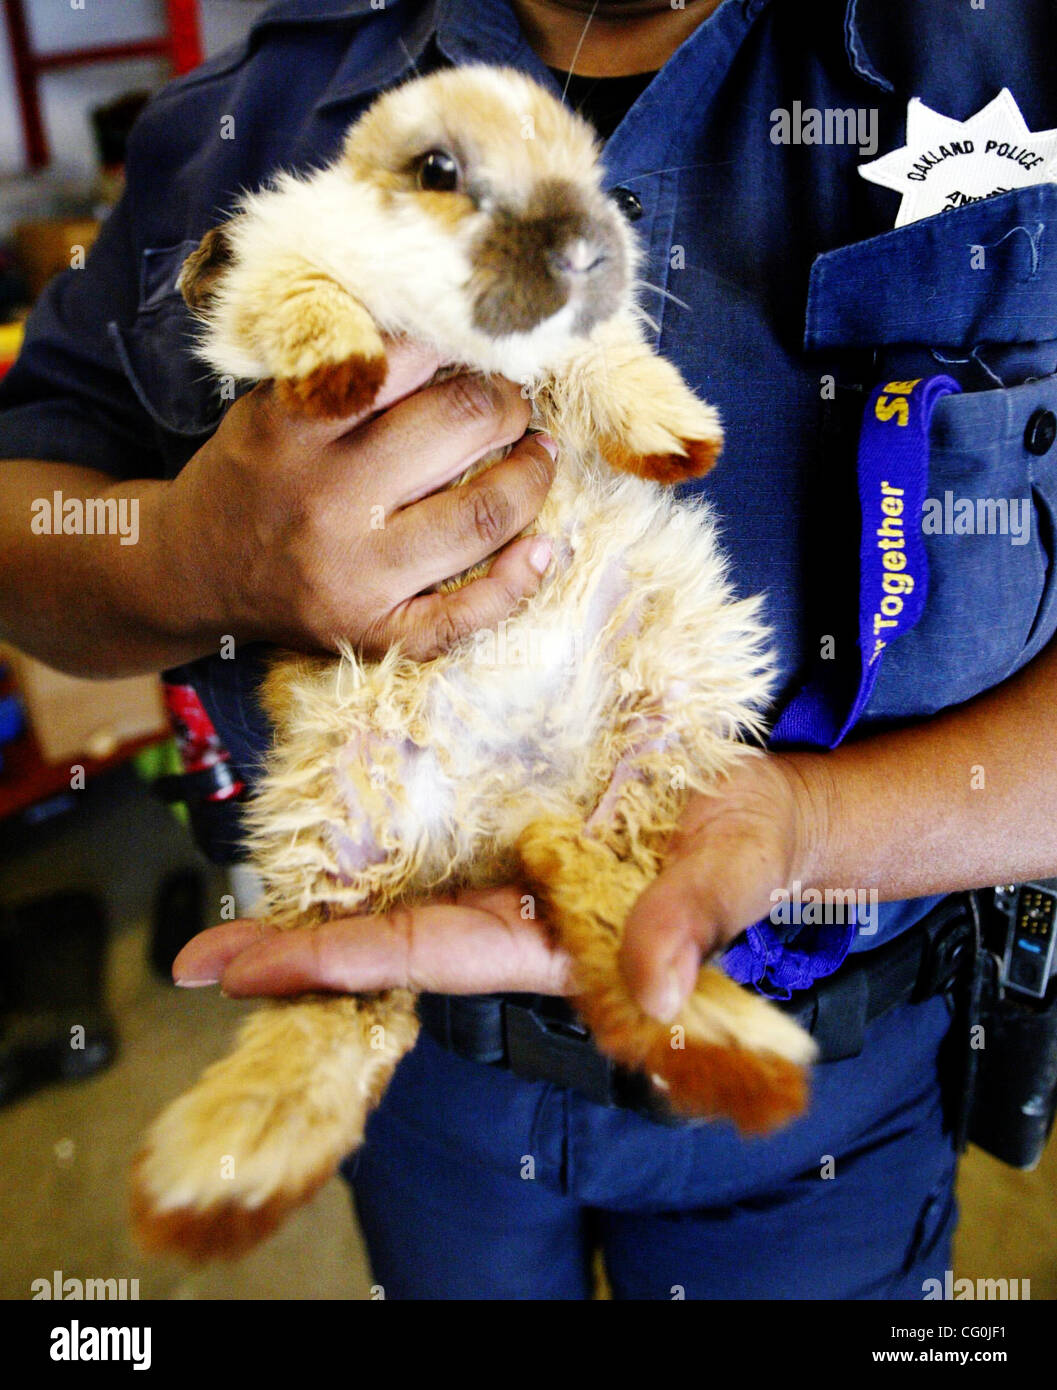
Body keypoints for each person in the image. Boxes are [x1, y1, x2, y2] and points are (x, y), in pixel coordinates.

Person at [2, 0, 1056, 1299]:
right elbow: (26, 510)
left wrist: (798, 824)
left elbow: (603, 374)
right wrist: (188, 557)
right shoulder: (249, 116)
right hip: (430, 1088)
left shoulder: (1006, 52)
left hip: (830, 1073)